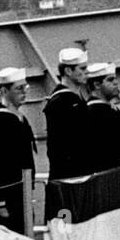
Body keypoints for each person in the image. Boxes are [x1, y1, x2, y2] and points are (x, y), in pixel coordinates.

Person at [0, 67, 37, 233]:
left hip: (22, 192)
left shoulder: (20, 118)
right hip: (7, 198)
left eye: (25, 87)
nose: (24, 92)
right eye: (19, 88)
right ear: (3, 91)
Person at [44, 47, 91, 179]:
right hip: (70, 175)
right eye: (82, 68)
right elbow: (61, 147)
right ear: (68, 71)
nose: (87, 72)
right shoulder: (60, 102)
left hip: (82, 172)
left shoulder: (76, 98)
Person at [84, 62, 120, 171]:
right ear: (97, 85)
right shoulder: (97, 113)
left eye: (115, 79)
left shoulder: (108, 110)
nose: (116, 82)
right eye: (110, 80)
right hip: (113, 172)